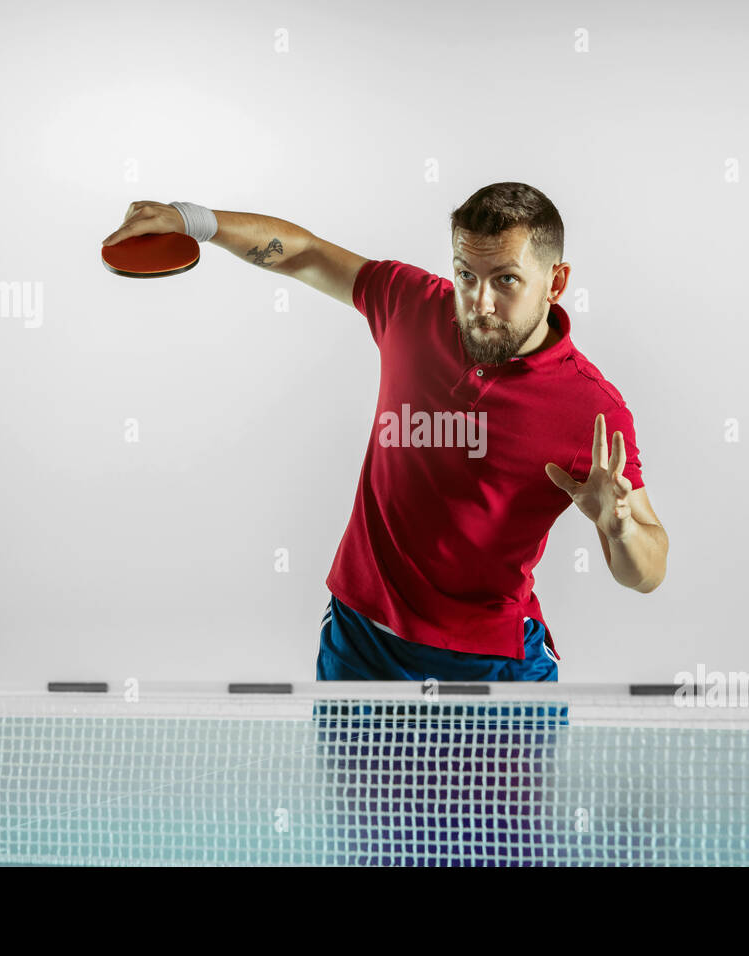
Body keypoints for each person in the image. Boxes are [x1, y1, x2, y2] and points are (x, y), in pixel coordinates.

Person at [103, 183, 668, 681]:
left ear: (556, 282)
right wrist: (190, 219)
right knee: (356, 808)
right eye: (467, 275)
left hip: (489, 663)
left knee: (505, 810)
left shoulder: (591, 407)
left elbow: (648, 571)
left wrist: (618, 528)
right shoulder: (411, 306)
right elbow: (304, 254)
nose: (480, 302)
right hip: (362, 646)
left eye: (507, 280)